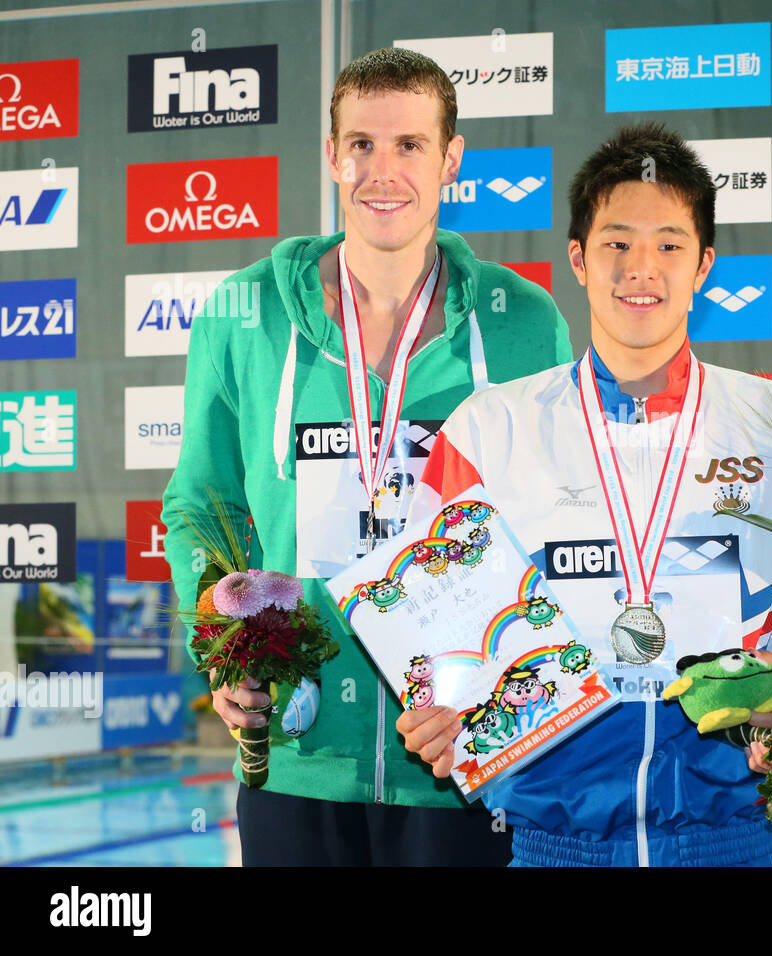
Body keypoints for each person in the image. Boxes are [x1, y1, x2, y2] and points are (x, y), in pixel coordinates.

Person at [397, 122, 772, 866]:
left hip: (727, 837)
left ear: (705, 263)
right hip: (552, 842)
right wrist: (440, 706)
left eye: (670, 244)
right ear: (577, 258)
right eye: (616, 242)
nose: (641, 267)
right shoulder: (489, 430)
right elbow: (433, 619)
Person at [162, 47, 572, 866]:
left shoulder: (524, 321)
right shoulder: (242, 316)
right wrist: (222, 650)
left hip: (463, 760)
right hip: (298, 755)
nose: (382, 172)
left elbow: (558, 525)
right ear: (331, 154)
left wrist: (501, 704)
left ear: (452, 158)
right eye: (362, 145)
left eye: (410, 145)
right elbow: (201, 506)